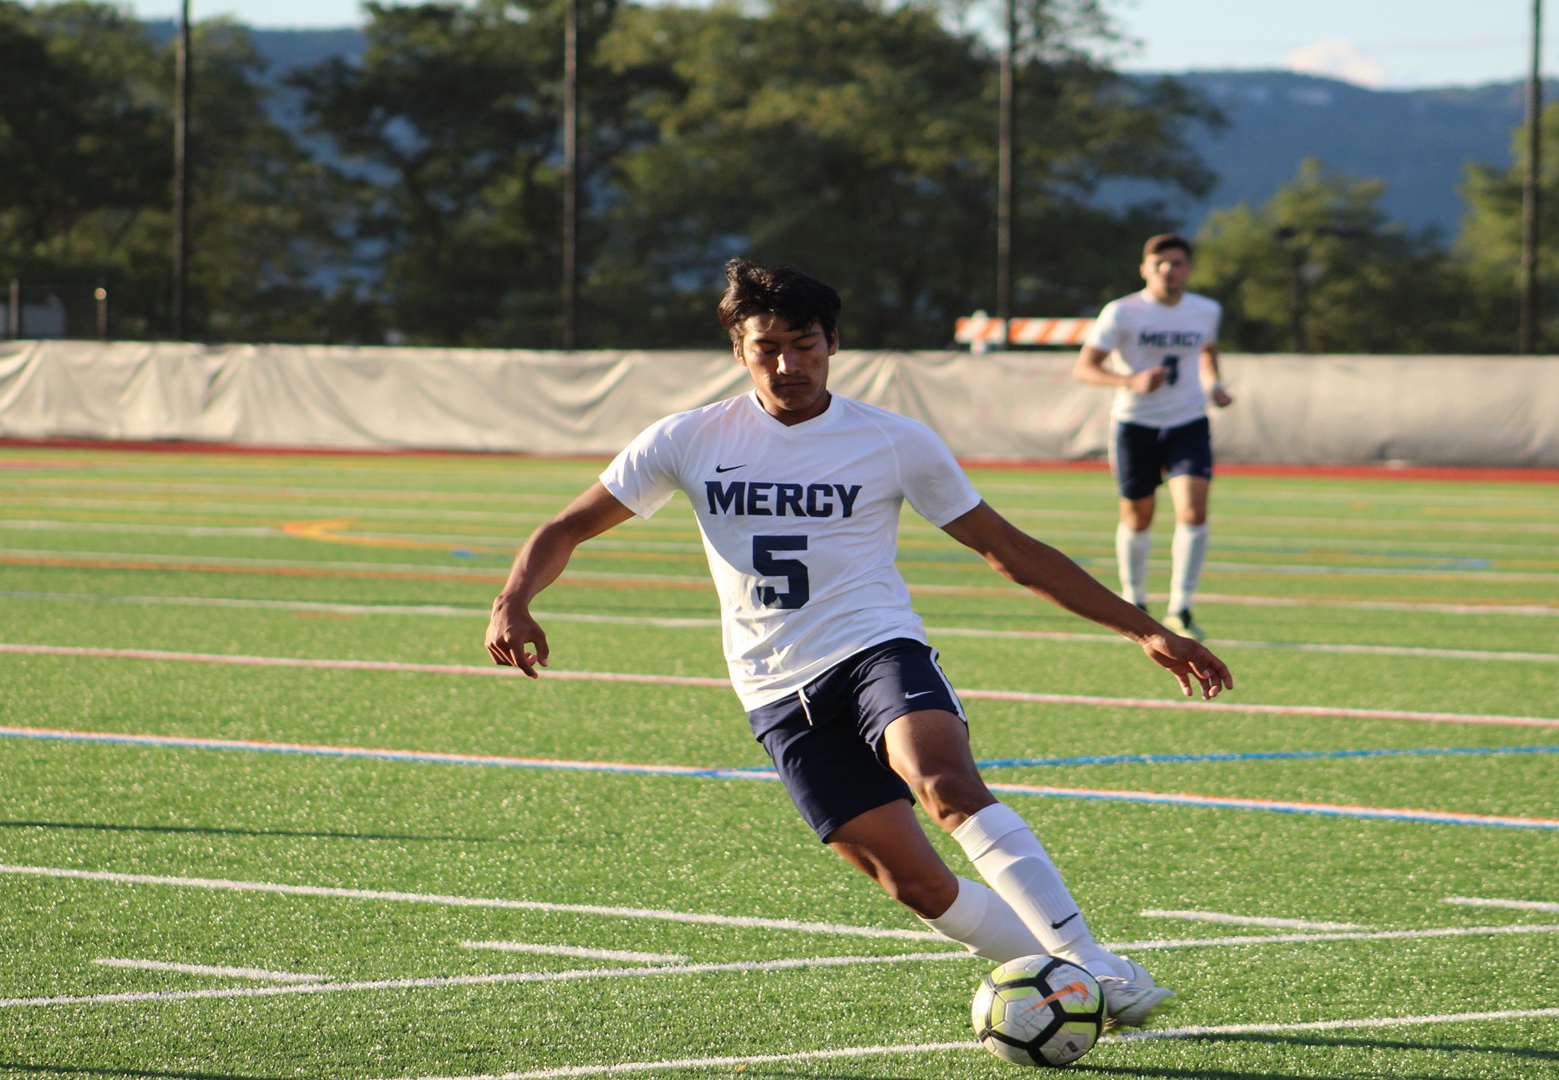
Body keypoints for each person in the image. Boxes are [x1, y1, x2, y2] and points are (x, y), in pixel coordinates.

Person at [486, 257, 1233, 1030]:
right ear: (737, 350)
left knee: (941, 780)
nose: (788, 364)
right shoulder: (687, 438)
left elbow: (1006, 548)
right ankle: (1074, 979)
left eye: (804, 344)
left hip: (876, 650)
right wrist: (514, 599)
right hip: (772, 687)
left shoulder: (892, 440)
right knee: (914, 885)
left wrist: (1145, 627)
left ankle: (1097, 969)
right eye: (767, 346)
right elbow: (566, 526)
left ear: (833, 342)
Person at [1073, 233, 1232, 640]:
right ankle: (1134, 600)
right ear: (1145, 268)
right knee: (1138, 515)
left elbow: (1208, 351)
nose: (1169, 270)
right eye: (1160, 263)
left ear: (1188, 269)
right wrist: (1130, 380)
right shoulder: (1122, 312)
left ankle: (1182, 606)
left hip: (1188, 422)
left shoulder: (1206, 310)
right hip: (1135, 423)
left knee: (1194, 512)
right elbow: (1085, 367)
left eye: (1177, 263)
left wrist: (1213, 383)